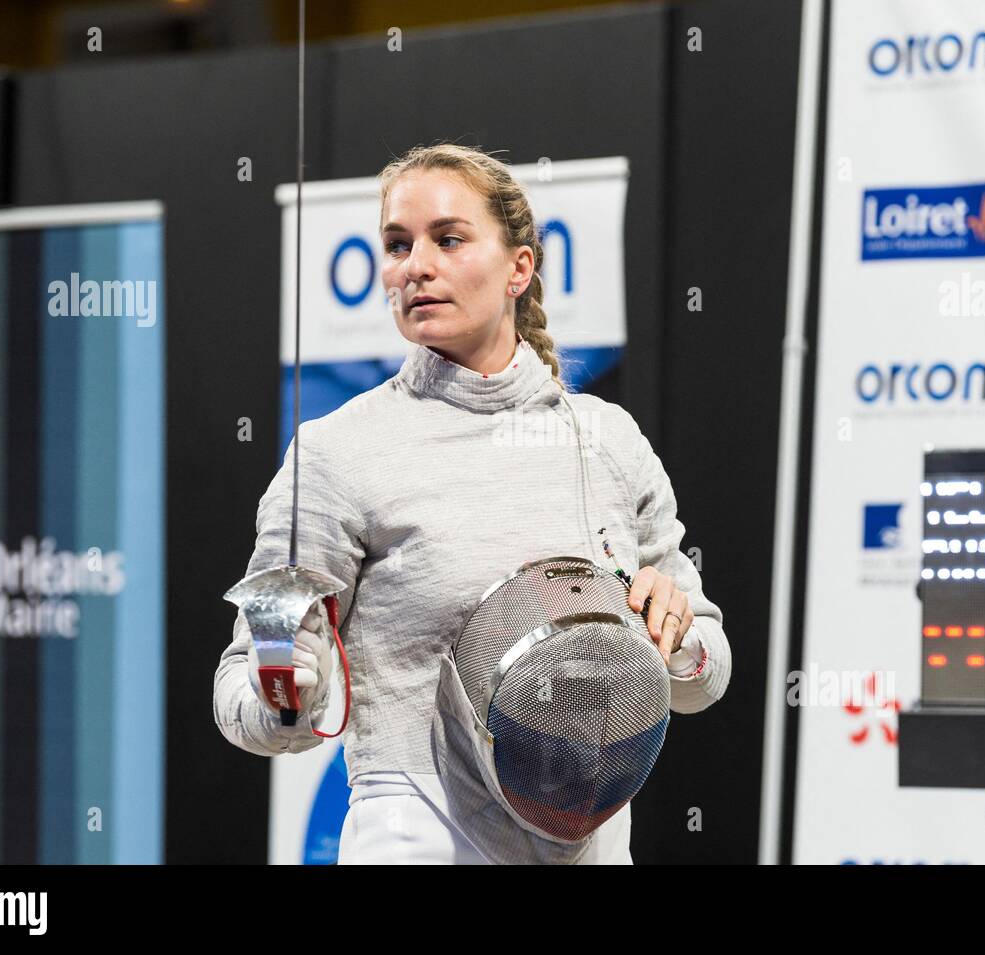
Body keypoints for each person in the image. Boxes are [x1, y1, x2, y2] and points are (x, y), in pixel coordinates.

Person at [213, 142, 731, 864]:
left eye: (448, 239)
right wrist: (282, 695)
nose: (415, 265)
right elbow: (247, 691)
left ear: (519, 268)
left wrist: (677, 638)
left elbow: (706, 673)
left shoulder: (608, 441)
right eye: (397, 245)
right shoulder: (337, 452)